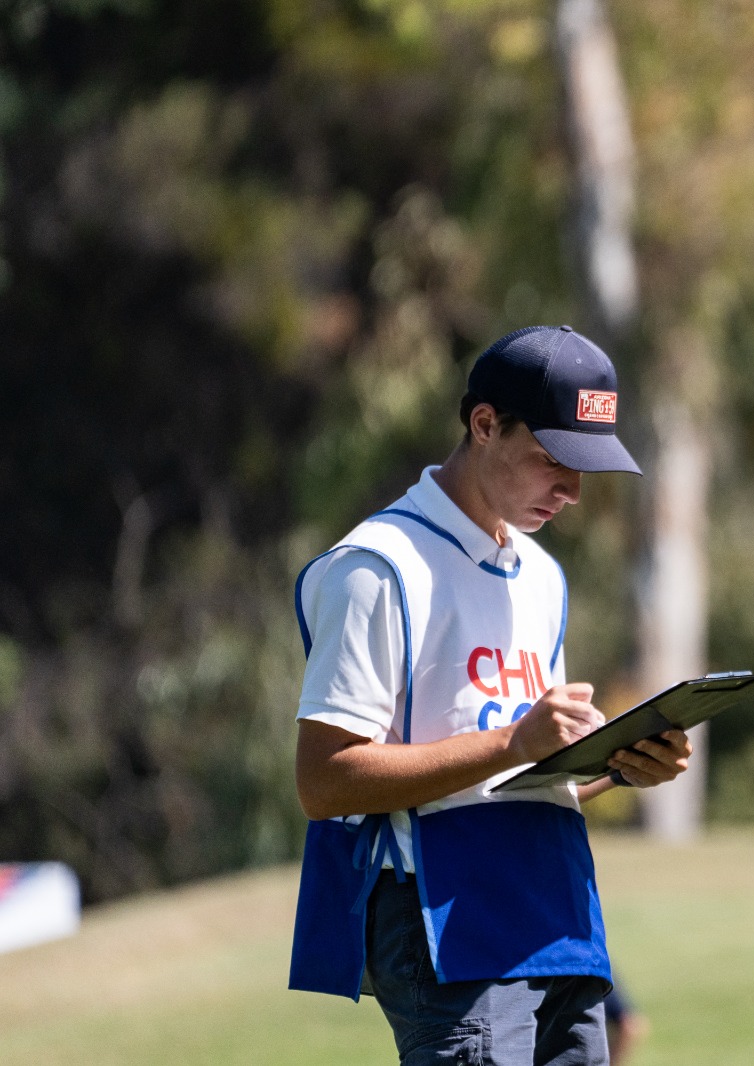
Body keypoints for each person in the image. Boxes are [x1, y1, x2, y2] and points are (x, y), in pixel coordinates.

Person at [288, 324, 694, 1066]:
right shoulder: (376, 568)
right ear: (483, 425)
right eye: (553, 459)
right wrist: (514, 740)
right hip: (446, 920)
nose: (572, 491)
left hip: (556, 909)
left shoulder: (542, 575)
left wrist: (618, 766)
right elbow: (324, 780)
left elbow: (519, 778)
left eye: (585, 467)